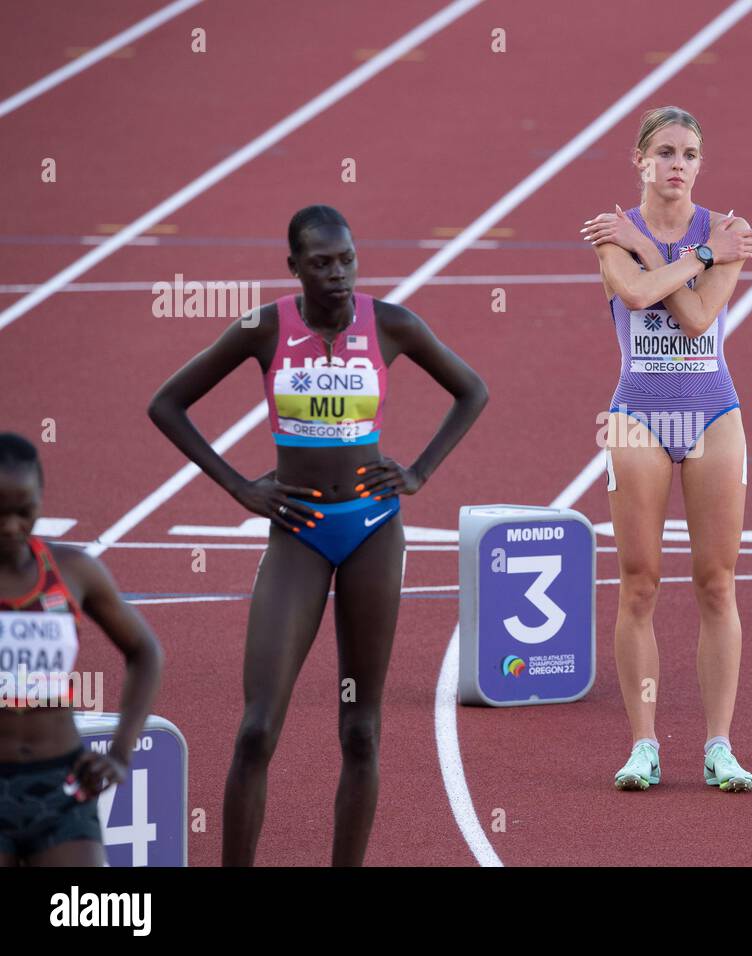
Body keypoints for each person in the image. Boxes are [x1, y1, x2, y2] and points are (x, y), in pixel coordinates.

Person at [148, 205, 488, 864]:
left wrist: (417, 472)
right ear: (294, 268)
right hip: (298, 535)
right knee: (256, 729)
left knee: (360, 729)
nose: (337, 275)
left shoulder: (391, 324)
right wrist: (238, 486)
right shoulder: (261, 327)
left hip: (371, 532)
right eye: (322, 262)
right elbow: (167, 403)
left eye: (347, 260)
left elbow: (471, 390)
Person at [581, 106, 752, 791]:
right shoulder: (612, 233)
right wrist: (700, 256)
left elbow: (692, 320)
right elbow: (630, 292)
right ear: (640, 159)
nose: (677, 164)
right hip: (637, 415)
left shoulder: (727, 232)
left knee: (717, 584)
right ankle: (643, 746)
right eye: (664, 152)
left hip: (714, 412)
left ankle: (720, 744)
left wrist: (703, 252)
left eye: (689, 153)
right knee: (639, 584)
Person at [0, 433, 163, 866]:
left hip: (62, 784)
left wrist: (121, 754)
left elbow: (145, 652)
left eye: (23, 511)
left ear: (41, 498)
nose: (11, 526)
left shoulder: (72, 571)